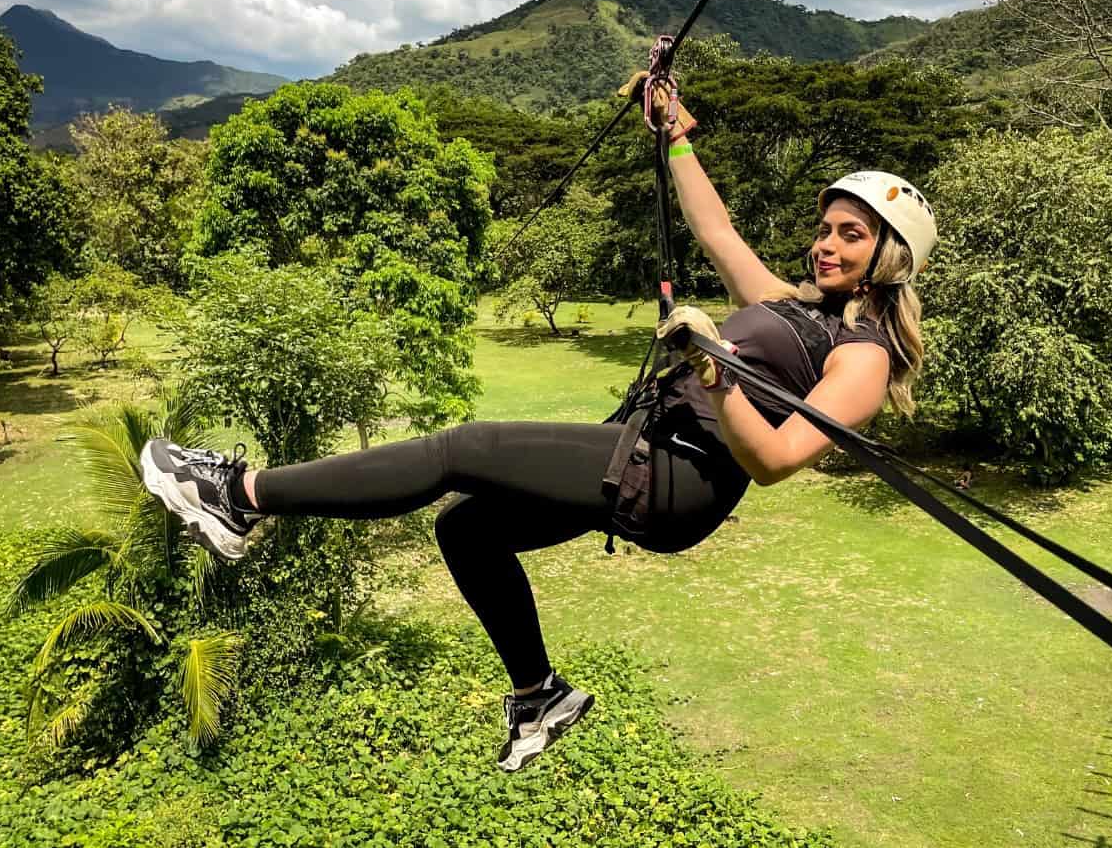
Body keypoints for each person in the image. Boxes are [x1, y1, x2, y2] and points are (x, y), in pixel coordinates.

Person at [140, 78, 936, 773]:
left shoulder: (863, 357)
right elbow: (717, 231)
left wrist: (716, 372)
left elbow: (774, 459)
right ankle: (538, 696)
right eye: (825, 227)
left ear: (891, 254)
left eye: (850, 234)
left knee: (462, 448)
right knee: (468, 531)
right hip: (648, 448)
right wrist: (673, 132)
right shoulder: (789, 304)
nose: (825, 243)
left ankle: (240, 495)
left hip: (681, 479)